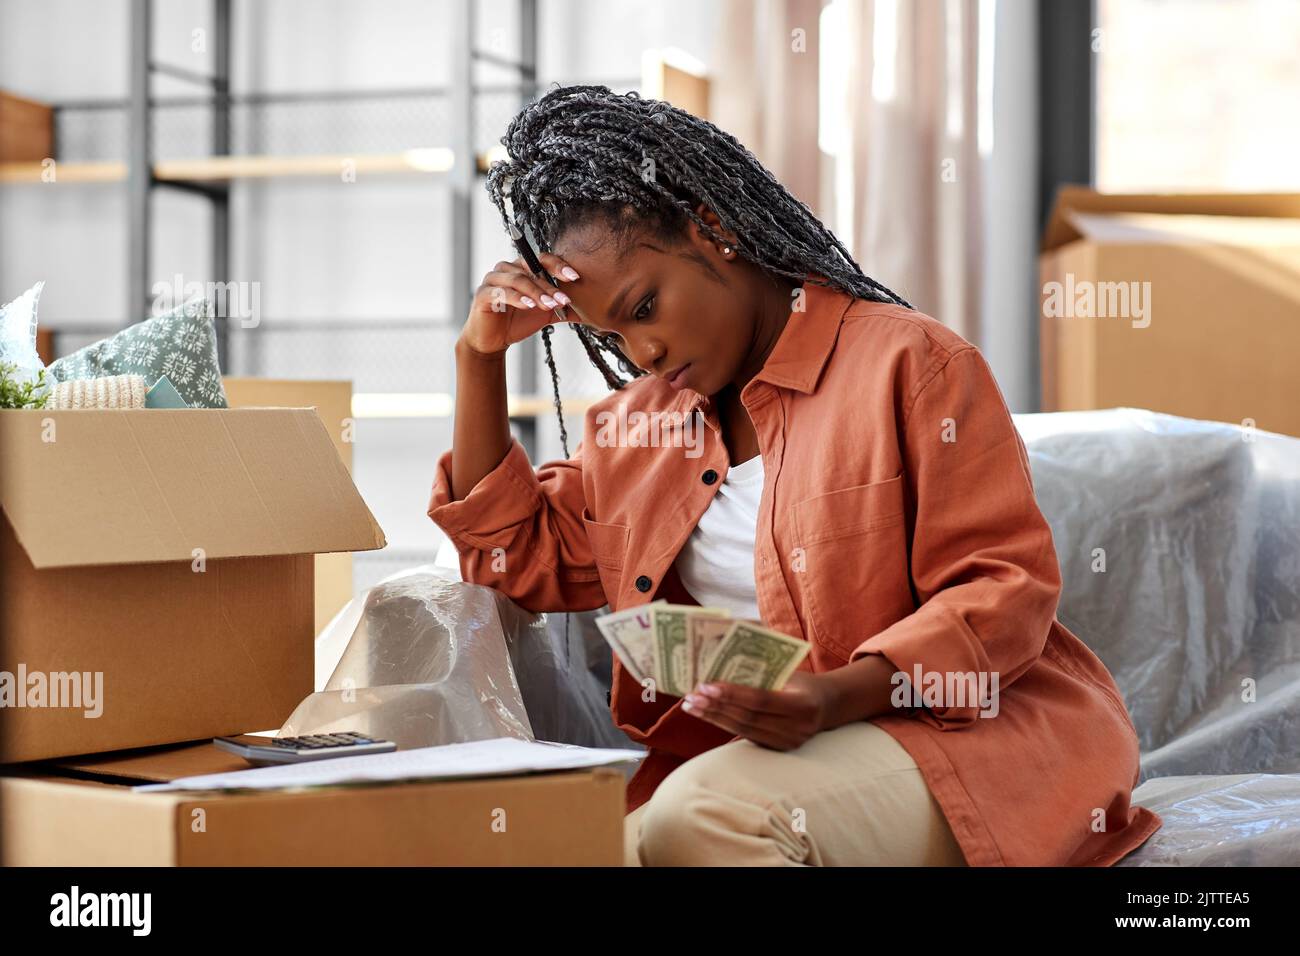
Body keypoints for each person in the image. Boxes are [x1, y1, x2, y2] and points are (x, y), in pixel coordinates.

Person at [428, 84, 1162, 866]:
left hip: (981, 740)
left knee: (701, 819)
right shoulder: (643, 426)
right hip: (784, 766)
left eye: (646, 307)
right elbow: (513, 553)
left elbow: (1001, 595)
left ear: (712, 230)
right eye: (610, 332)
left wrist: (834, 695)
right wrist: (479, 360)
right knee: (589, 848)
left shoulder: (910, 364)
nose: (639, 353)